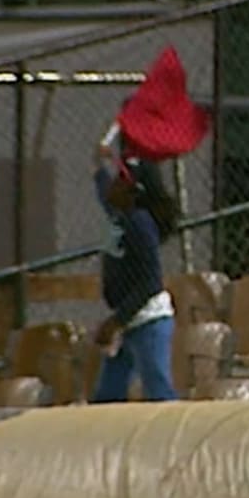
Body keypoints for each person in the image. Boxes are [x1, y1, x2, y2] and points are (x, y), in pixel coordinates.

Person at [91, 141, 181, 402]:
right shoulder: (118, 215)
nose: (113, 184)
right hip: (128, 320)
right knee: (108, 395)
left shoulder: (140, 225)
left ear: (132, 191)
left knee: (158, 389)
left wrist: (115, 322)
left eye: (120, 180)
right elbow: (102, 191)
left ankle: (176, 436)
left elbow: (150, 283)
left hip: (148, 321)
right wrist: (98, 165)